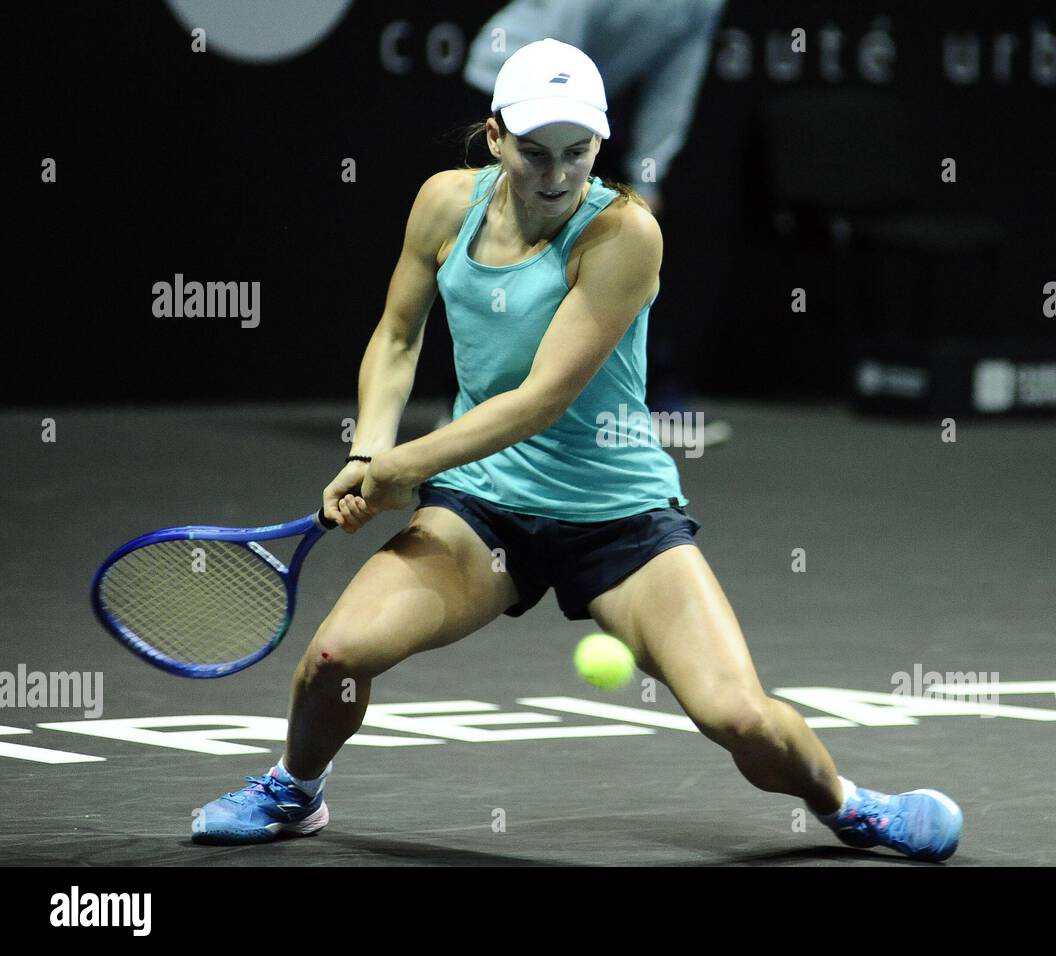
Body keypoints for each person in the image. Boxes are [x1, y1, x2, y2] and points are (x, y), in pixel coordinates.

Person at [190, 39, 963, 862]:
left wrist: (403, 467)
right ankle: (293, 793)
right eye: (534, 153)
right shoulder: (444, 205)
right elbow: (396, 336)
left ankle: (847, 804)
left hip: (618, 517)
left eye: (578, 152)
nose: (557, 175)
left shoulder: (625, 235)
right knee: (335, 659)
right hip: (484, 507)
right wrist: (369, 447)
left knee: (737, 715)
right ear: (494, 137)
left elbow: (540, 398)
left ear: (601, 142)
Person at [461, 0, 733, 447]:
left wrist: (652, 171)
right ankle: (478, 407)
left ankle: (642, 401)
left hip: (585, 102)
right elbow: (557, 40)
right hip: (511, 80)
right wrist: (557, 126)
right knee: (503, 243)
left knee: (628, 240)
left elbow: (676, 76)